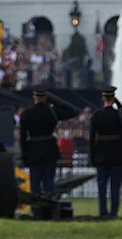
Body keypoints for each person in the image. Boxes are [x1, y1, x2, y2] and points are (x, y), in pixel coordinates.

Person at [19, 87, 80, 217]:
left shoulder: (27, 113)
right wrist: (55, 100)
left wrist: (24, 154)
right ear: (46, 97)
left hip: (33, 149)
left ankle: (36, 212)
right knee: (48, 183)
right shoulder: (52, 111)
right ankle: (48, 211)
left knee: (35, 184)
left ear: (34, 97)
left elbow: (22, 137)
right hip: (49, 148)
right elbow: (72, 111)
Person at [89, 86, 122, 219]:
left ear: (103, 98)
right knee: (115, 187)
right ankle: (113, 212)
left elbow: (92, 138)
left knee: (102, 186)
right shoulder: (119, 114)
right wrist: (120, 105)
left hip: (101, 154)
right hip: (117, 154)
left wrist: (92, 157)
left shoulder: (97, 115)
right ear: (113, 98)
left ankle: (103, 211)